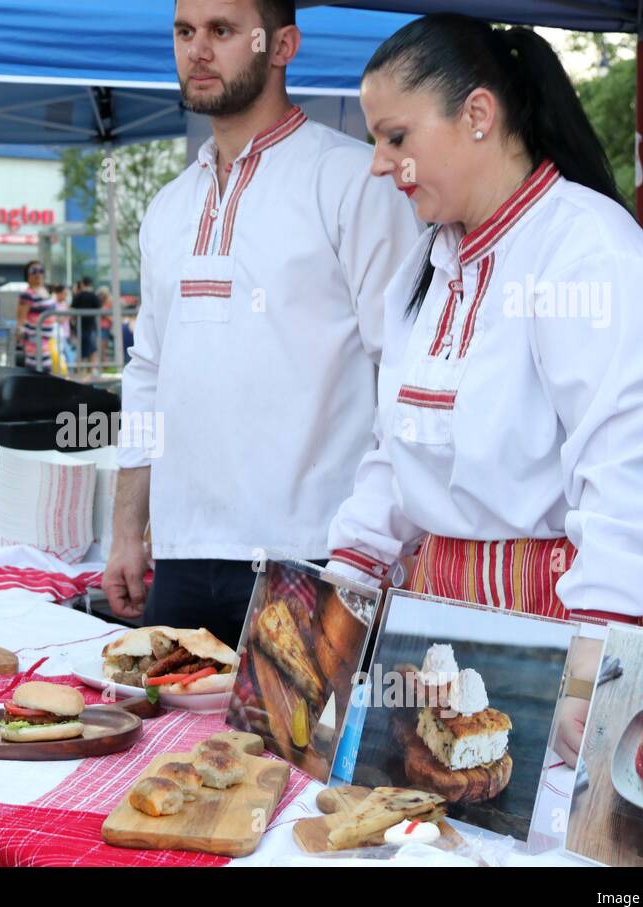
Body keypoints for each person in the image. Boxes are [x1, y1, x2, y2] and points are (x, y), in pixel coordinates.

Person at [323, 14, 643, 642]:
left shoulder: (589, 255)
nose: (378, 164)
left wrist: (595, 664)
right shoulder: (427, 264)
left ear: (479, 113)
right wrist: (346, 579)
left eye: (396, 137)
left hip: (566, 624)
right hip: (444, 626)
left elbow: (624, 484)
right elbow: (395, 455)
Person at [103, 0, 420, 647]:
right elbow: (147, 376)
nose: (197, 50)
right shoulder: (167, 208)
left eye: (221, 32)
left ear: (281, 46)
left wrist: (387, 545)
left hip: (315, 553)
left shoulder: (352, 181)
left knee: (305, 748)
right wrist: (126, 532)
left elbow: (405, 367)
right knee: (177, 748)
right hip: (184, 554)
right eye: (185, 32)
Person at [18, 261, 59, 373]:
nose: (38, 274)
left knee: (47, 372)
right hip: (34, 341)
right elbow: (21, 319)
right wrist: (19, 337)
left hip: (48, 340)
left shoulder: (45, 290)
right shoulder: (27, 294)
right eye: (33, 271)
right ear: (27, 275)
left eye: (41, 271)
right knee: (37, 373)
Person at [71, 276, 102, 361]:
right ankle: (91, 369)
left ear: (82, 284)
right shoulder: (94, 296)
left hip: (79, 326)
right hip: (91, 326)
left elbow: (72, 308)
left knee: (80, 349)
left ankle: (80, 368)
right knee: (92, 349)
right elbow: (99, 308)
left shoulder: (78, 296)